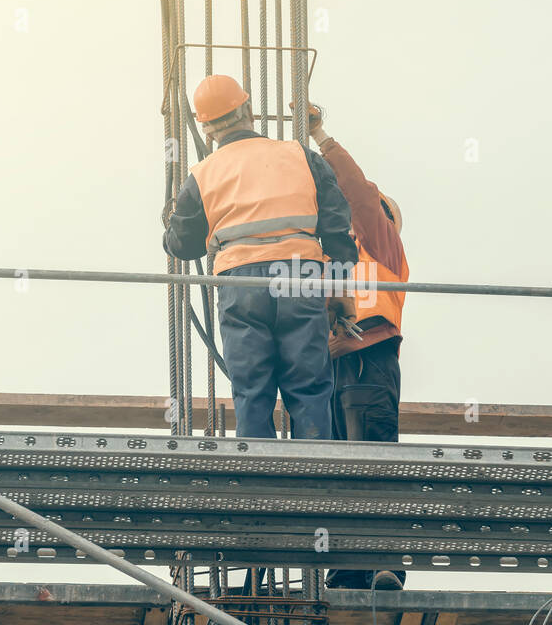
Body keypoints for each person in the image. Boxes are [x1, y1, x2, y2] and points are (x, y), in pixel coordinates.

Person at [163, 75, 356, 440]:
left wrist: (171, 222)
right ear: (248, 109)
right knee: (309, 386)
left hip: (240, 282)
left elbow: (183, 246)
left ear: (206, 129)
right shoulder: (299, 156)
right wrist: (340, 289)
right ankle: (314, 472)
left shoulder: (202, 175)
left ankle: (257, 476)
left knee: (252, 389)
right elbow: (337, 229)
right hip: (298, 275)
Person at [307, 103, 409, 591]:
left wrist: (321, 139)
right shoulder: (333, 258)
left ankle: (385, 561)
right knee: (339, 470)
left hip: (367, 355)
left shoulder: (381, 244)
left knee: (372, 462)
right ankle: (350, 568)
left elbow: (359, 194)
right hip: (330, 365)